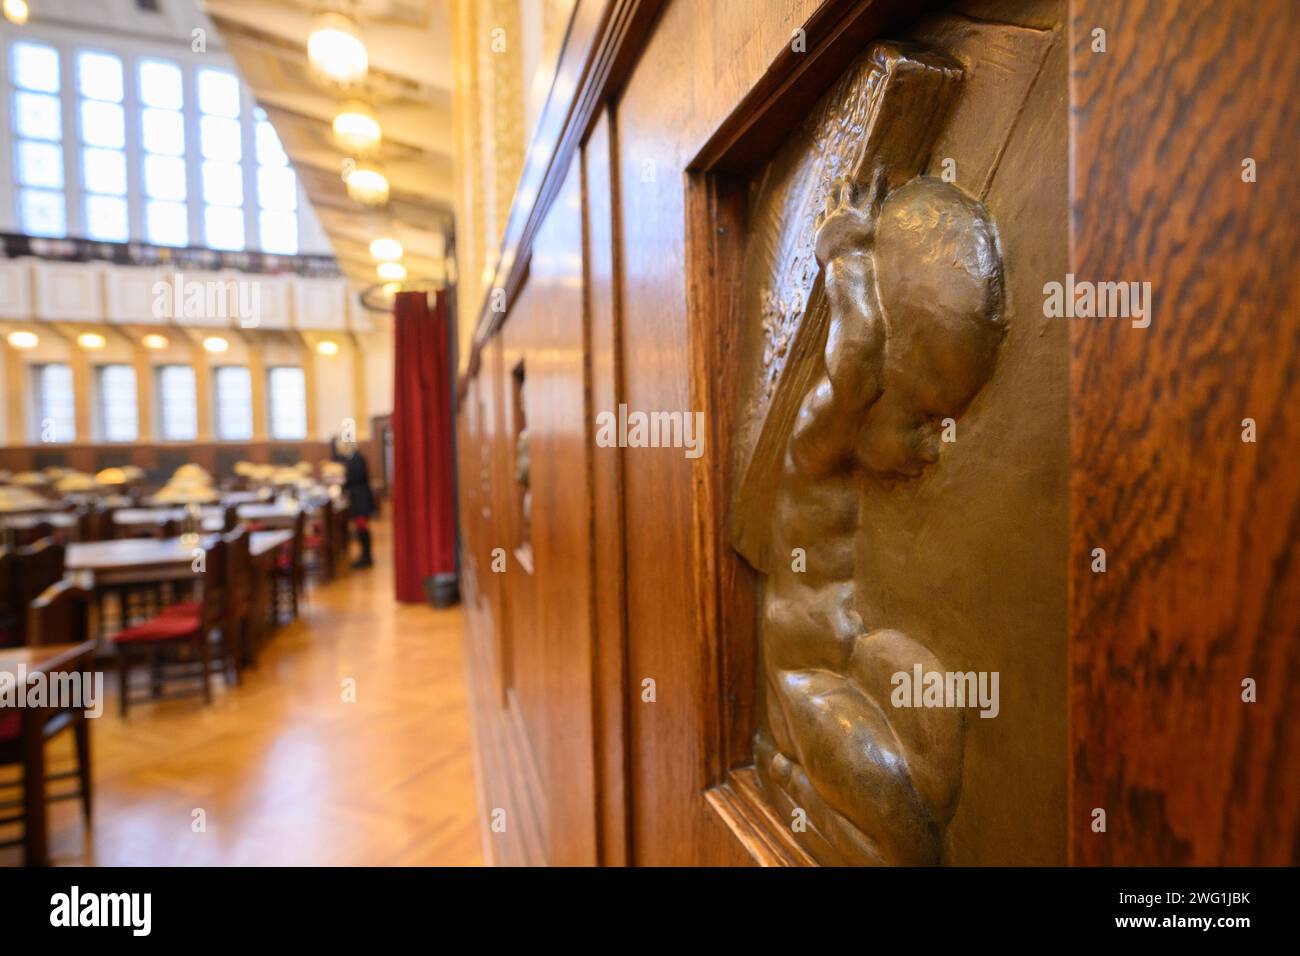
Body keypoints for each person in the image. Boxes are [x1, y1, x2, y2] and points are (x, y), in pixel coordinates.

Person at [332, 437, 377, 569]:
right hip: (358, 499)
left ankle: (366, 557)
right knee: (360, 529)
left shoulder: (356, 459)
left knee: (362, 528)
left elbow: (356, 479)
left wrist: (343, 482)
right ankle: (365, 556)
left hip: (361, 500)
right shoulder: (353, 458)